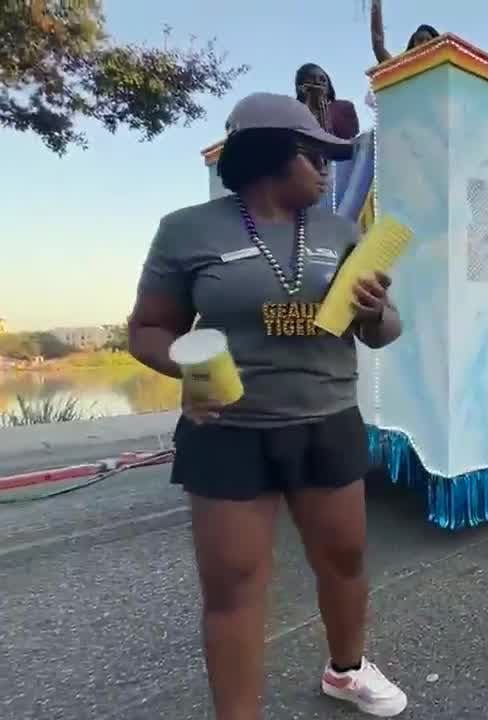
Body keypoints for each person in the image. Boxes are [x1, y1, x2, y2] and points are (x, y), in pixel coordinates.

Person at [127, 93, 407, 718]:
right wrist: (186, 366)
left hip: (327, 421)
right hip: (229, 431)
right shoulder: (187, 230)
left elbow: (385, 331)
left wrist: (374, 312)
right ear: (275, 154)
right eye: (317, 156)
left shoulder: (341, 232)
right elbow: (146, 329)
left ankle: (346, 672)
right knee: (233, 586)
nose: (329, 170)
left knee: (344, 561)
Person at [295, 63, 361, 140]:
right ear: (301, 88)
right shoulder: (294, 115)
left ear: (329, 86)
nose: (318, 82)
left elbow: (350, 141)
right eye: (311, 80)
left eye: (322, 80)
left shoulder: (344, 107)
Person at [369, 1, 438, 63]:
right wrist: (376, 4)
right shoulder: (403, 65)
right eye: (420, 40)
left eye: (429, 40)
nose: (425, 43)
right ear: (413, 44)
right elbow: (379, 48)